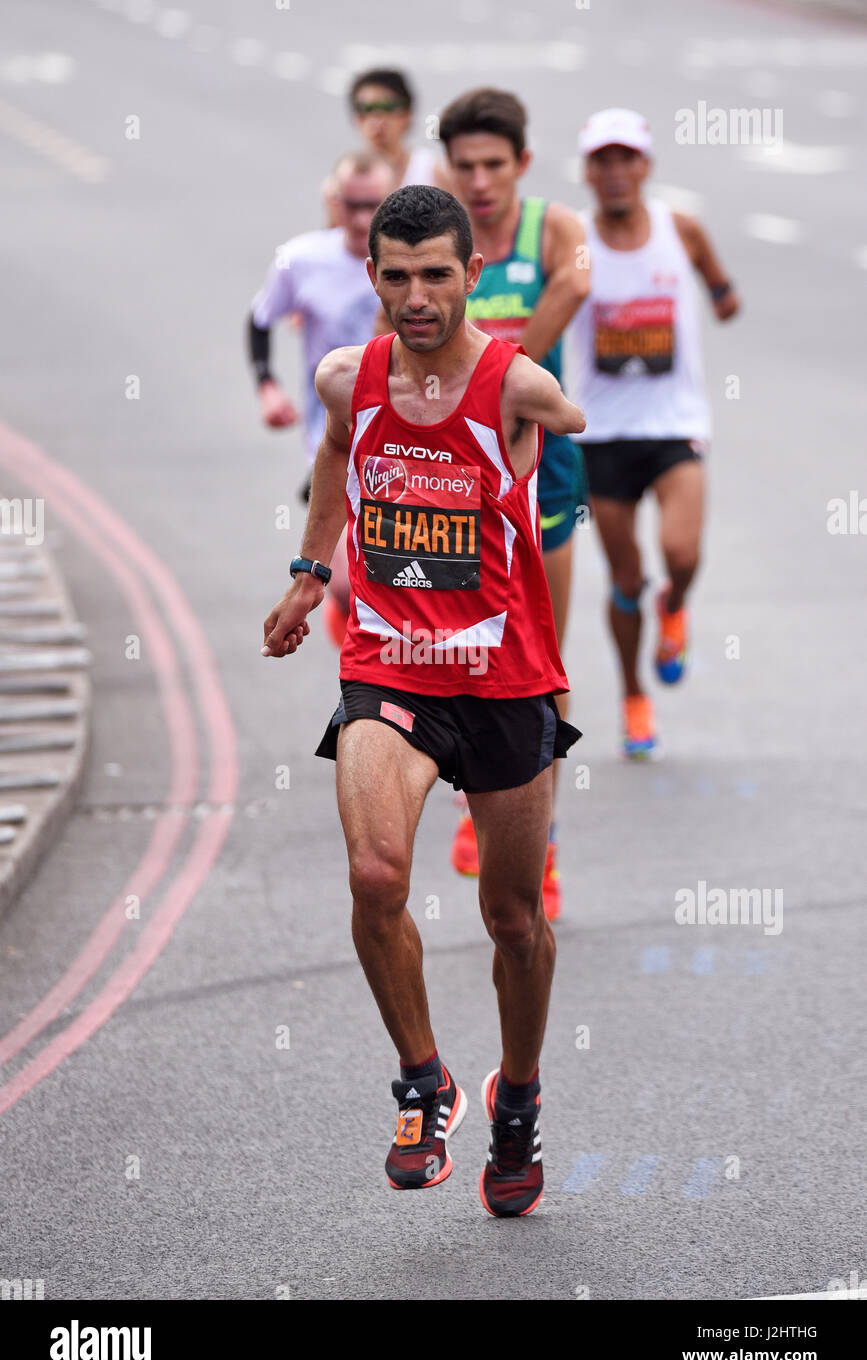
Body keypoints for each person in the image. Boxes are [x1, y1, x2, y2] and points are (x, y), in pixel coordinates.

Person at [261, 185, 585, 1217]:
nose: (414, 296)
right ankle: (422, 1078)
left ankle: (519, 1096)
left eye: (435, 274)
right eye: (395, 276)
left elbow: (570, 423)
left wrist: (537, 464)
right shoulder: (346, 379)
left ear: (469, 275)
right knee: (372, 870)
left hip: (505, 678)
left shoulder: (515, 387)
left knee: (513, 918)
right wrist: (313, 571)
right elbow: (330, 454)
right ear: (372, 277)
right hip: (388, 664)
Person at [437, 87, 590, 918]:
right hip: (453, 473)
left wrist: (507, 371)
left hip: (542, 467)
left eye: (494, 164)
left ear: (521, 165)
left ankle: (544, 838)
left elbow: (580, 276)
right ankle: (471, 801)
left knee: (539, 654)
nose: (480, 180)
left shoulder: (552, 229)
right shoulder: (441, 244)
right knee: (458, 644)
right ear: (446, 167)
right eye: (464, 166)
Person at [565, 109, 739, 758]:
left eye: (625, 159)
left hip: (674, 426)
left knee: (682, 553)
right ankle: (633, 694)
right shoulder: (571, 242)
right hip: (602, 433)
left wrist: (721, 297)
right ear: (586, 170)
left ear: (645, 165)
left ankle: (678, 606)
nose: (614, 173)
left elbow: (722, 293)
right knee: (625, 579)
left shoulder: (679, 229)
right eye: (601, 161)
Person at [247, 151, 392, 643]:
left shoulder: (411, 262)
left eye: (372, 205)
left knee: (398, 580)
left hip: (402, 443)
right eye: (351, 204)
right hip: (332, 441)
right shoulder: (302, 259)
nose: (360, 218)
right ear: (333, 201)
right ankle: (359, 655)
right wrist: (268, 386)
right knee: (350, 583)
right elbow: (260, 318)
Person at [322, 68, 450, 223]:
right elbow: (335, 241)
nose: (377, 120)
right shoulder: (341, 182)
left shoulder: (433, 172)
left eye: (388, 107)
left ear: (408, 115)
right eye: (367, 109)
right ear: (356, 118)